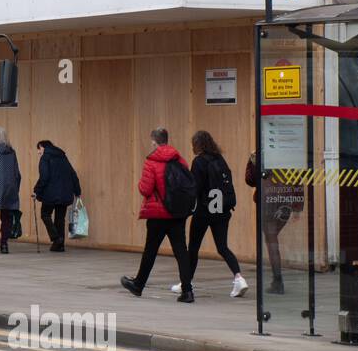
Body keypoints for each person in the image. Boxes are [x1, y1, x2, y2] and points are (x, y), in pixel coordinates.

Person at [120, 127, 195, 302]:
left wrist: (140, 184)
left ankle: (138, 285)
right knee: (181, 251)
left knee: (150, 250)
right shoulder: (180, 160)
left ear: (154, 141)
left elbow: (145, 189)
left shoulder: (152, 161)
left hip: (158, 214)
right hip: (177, 213)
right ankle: (187, 291)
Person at [172, 131, 248, 298]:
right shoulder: (219, 159)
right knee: (222, 247)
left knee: (193, 248)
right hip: (221, 208)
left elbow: (195, 188)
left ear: (197, 145)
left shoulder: (199, 162)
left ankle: (187, 282)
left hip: (204, 210)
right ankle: (239, 278)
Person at [245, 152, 302, 295]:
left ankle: (278, 281)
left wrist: (251, 162)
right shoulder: (287, 154)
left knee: (271, 241)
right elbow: (297, 181)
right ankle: (277, 280)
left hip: (268, 200)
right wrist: (297, 207)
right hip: (285, 202)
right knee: (273, 239)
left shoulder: (260, 154)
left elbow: (251, 180)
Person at [33, 140, 81, 252]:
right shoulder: (63, 157)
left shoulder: (45, 158)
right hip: (65, 193)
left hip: (50, 193)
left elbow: (44, 177)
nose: (39, 153)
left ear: (42, 147)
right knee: (60, 219)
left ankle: (56, 238)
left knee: (45, 214)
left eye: (38, 150)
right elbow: (73, 174)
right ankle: (59, 245)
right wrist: (77, 191)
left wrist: (36, 191)